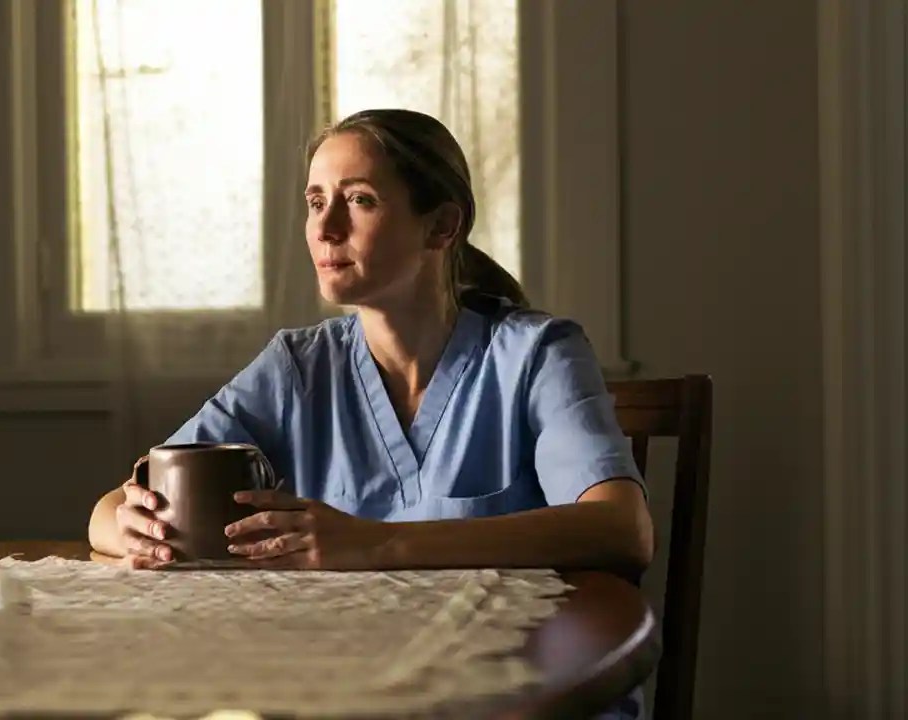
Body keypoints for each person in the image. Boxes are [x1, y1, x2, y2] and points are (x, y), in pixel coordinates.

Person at [89, 108, 652, 718]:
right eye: (314, 201)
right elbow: (108, 511)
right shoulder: (295, 367)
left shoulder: (537, 355)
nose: (325, 228)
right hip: (350, 692)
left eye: (358, 200)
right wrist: (133, 525)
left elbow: (622, 531)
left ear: (441, 226)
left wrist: (375, 544)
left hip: (525, 693)